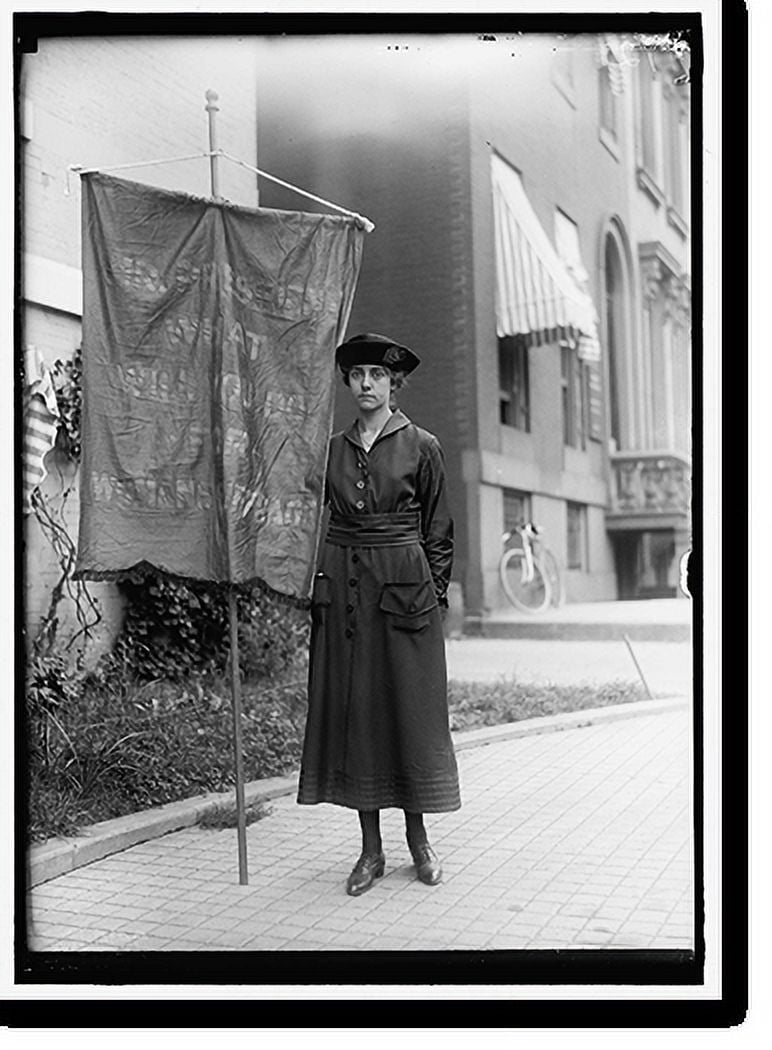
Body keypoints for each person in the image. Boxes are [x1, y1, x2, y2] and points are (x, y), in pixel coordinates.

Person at [297, 332, 461, 896]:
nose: (366, 384)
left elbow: (439, 531)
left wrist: (432, 594)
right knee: (358, 716)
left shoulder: (422, 445)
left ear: (394, 383)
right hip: (344, 592)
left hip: (405, 593)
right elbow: (297, 509)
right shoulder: (332, 451)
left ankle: (419, 842)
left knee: (409, 715)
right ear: (347, 383)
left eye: (377, 375)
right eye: (357, 375)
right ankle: (370, 850)